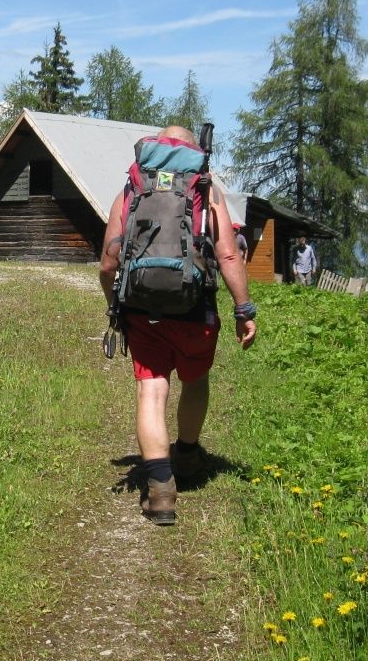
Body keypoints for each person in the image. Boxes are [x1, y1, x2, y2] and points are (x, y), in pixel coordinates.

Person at [99, 126, 258, 526]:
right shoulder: (206, 190)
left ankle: (160, 489)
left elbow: (108, 261)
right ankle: (187, 455)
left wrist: (114, 307)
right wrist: (244, 309)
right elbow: (228, 256)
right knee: (196, 379)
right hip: (195, 308)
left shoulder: (133, 188)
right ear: (193, 151)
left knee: (151, 390)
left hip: (142, 309)